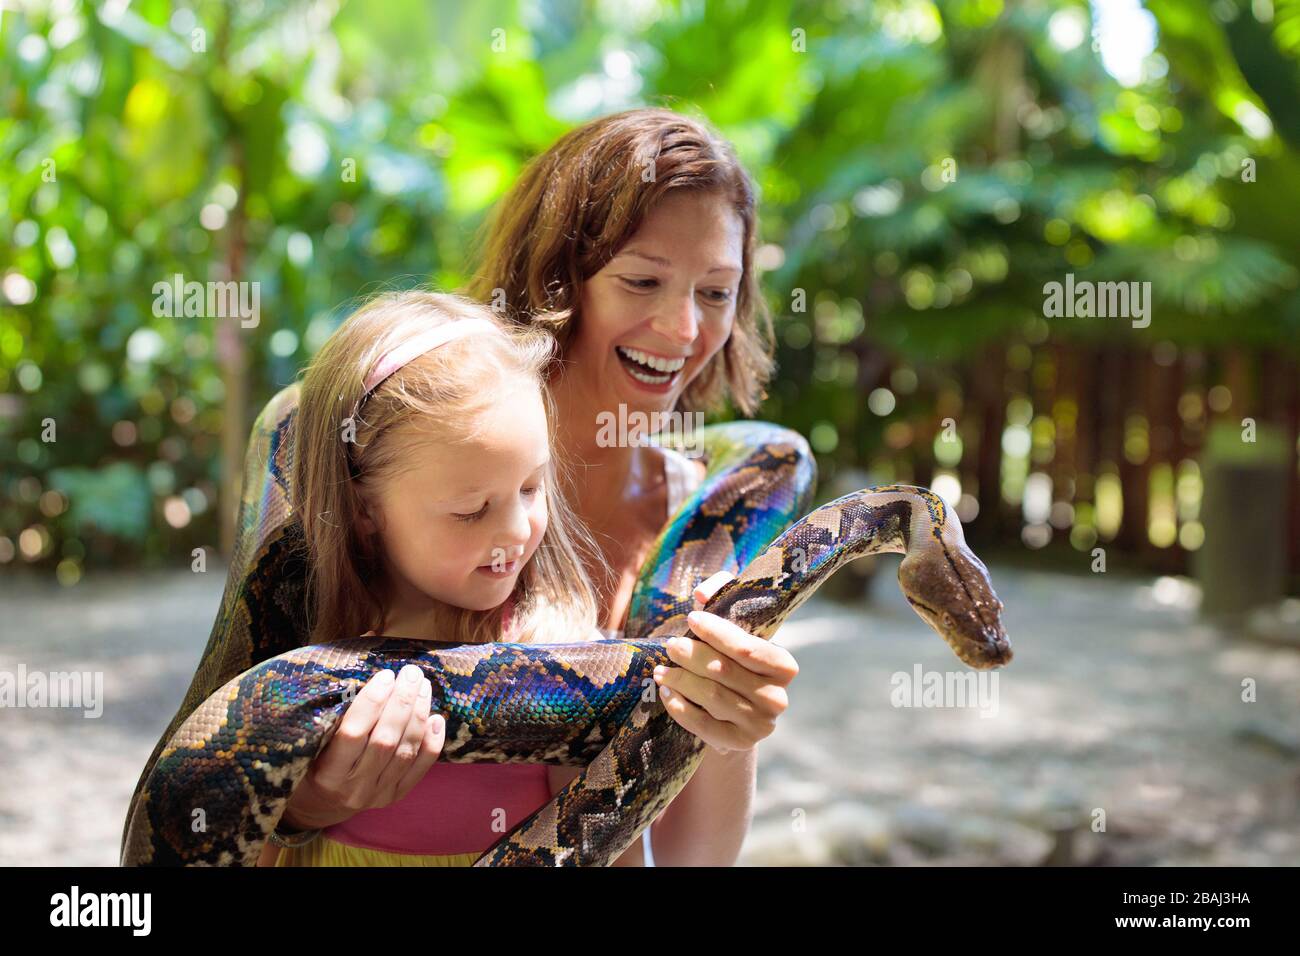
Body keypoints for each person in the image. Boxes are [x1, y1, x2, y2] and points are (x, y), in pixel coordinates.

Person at [276, 107, 801, 866]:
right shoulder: (366, 453)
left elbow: (689, 863)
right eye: (643, 280)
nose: (685, 328)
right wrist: (313, 800)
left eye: (716, 292)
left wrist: (725, 731)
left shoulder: (715, 530)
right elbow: (221, 782)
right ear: (558, 277)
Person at [265, 289, 606, 865]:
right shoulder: (289, 650)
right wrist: (305, 807)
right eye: (471, 510)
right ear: (363, 509)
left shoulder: (563, 662)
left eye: (531, 487)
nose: (518, 530)